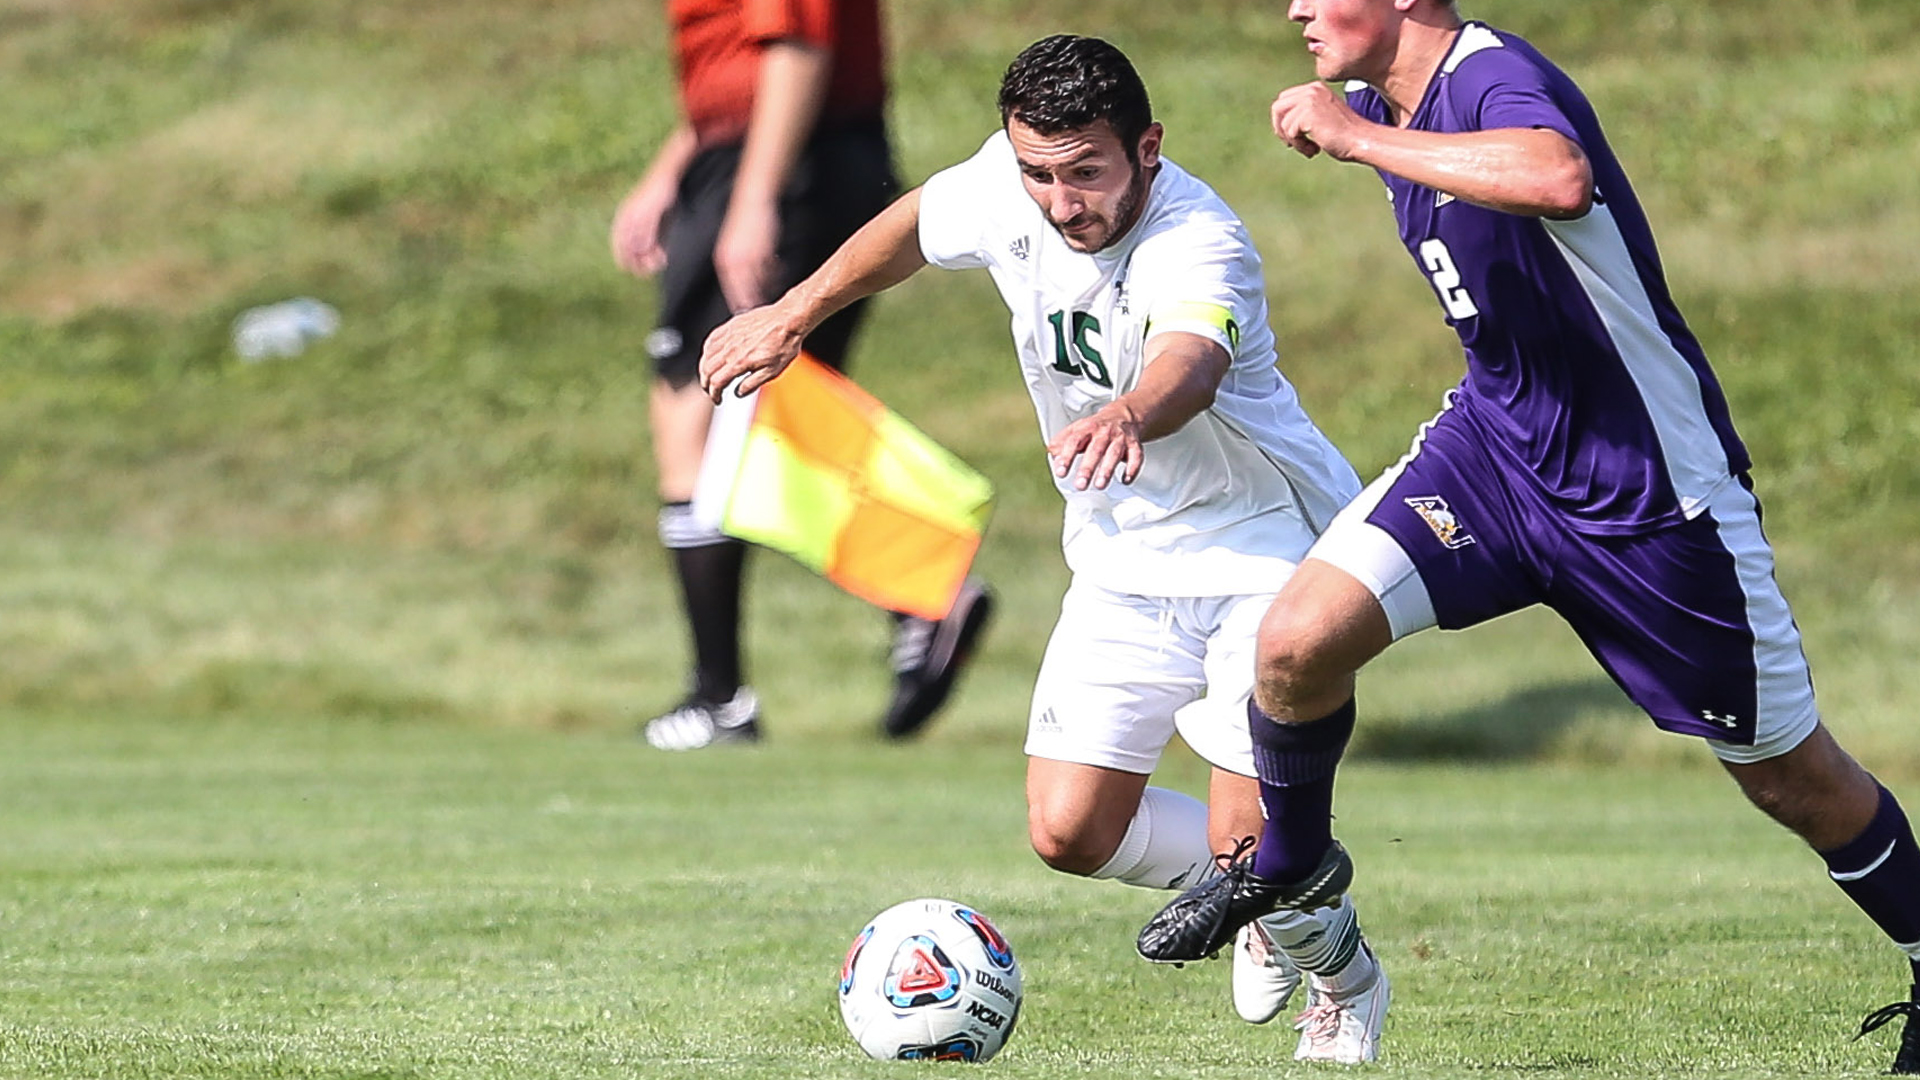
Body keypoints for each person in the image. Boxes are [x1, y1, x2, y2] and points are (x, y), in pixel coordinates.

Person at [1134, 1, 1920, 1070]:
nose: (1296, 8)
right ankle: (1294, 874)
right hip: (1495, 458)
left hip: (1652, 503)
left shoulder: (1488, 77)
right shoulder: (1387, 105)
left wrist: (1357, 135)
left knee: (1792, 777)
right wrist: (1364, 123)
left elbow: (1558, 176)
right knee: (1294, 644)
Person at [701, 33, 1389, 1063]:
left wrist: (1132, 416)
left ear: (1146, 149)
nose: (1063, 202)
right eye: (1039, 174)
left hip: (1259, 554)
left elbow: (1190, 361)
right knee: (1069, 831)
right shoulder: (1006, 184)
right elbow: (913, 225)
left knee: (1249, 853)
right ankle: (1265, 885)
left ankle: (1341, 980)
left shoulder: (1200, 238)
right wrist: (793, 314)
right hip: (1118, 554)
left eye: (1087, 174)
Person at [610, 0, 992, 751]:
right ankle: (921, 598)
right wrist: (674, 169)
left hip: (786, 161)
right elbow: (738, 67)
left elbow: (797, 51)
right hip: (747, 156)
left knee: (711, 407)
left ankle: (724, 696)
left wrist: (752, 203)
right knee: (737, 415)